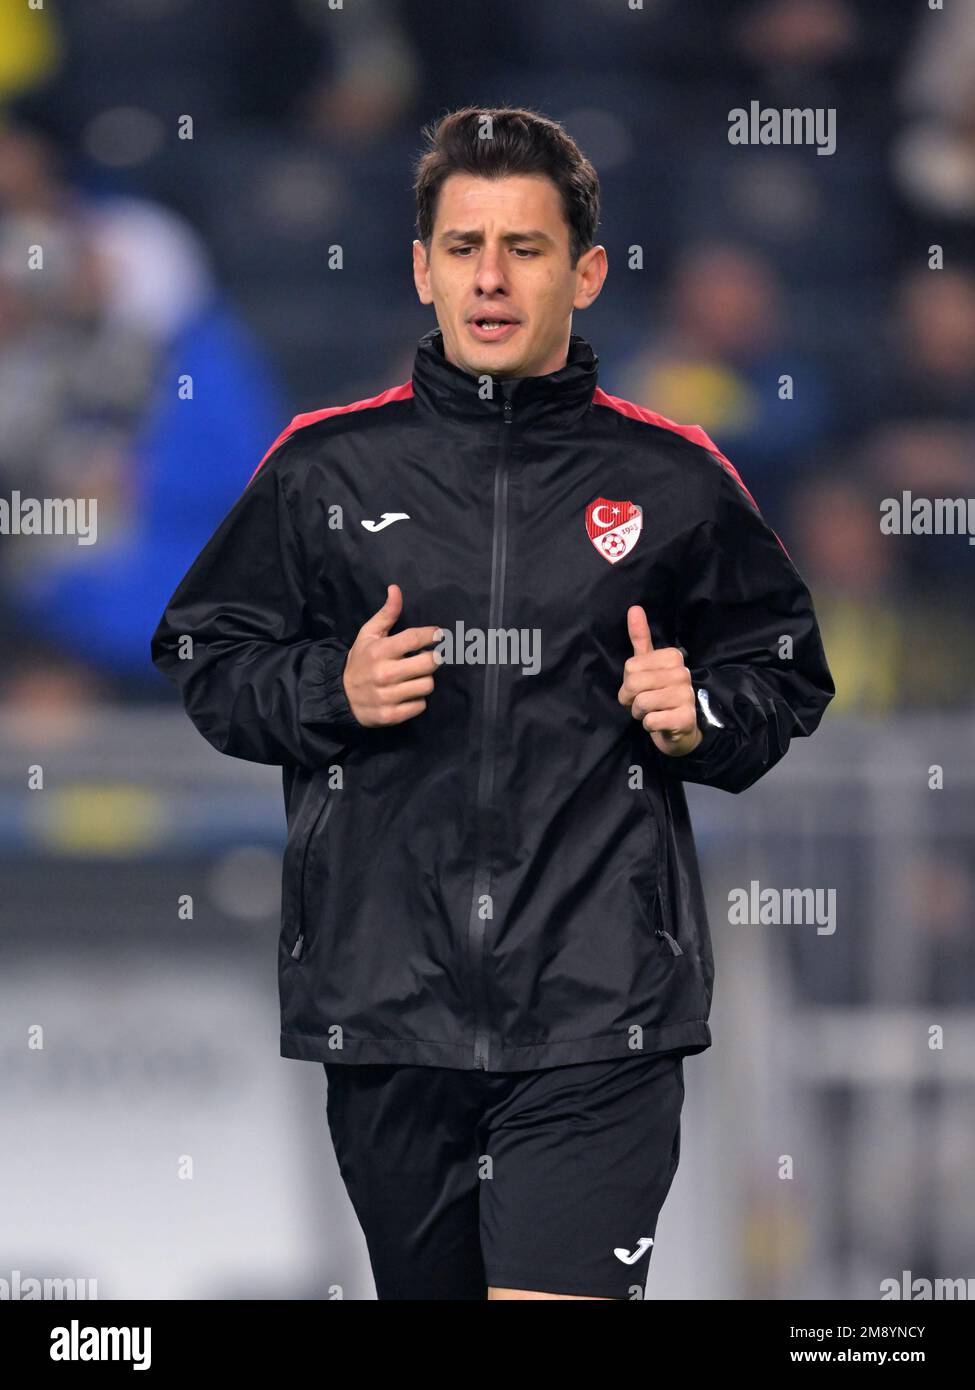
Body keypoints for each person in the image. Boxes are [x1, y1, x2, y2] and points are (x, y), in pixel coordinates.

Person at [151, 105, 834, 1301]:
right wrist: (330, 687)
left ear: (587, 272)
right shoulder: (323, 466)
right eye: (464, 247)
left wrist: (700, 714)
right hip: (388, 1007)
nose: (491, 278)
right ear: (422, 269)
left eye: (525, 247)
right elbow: (204, 652)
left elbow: (784, 669)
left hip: (602, 1007)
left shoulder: (674, 478)